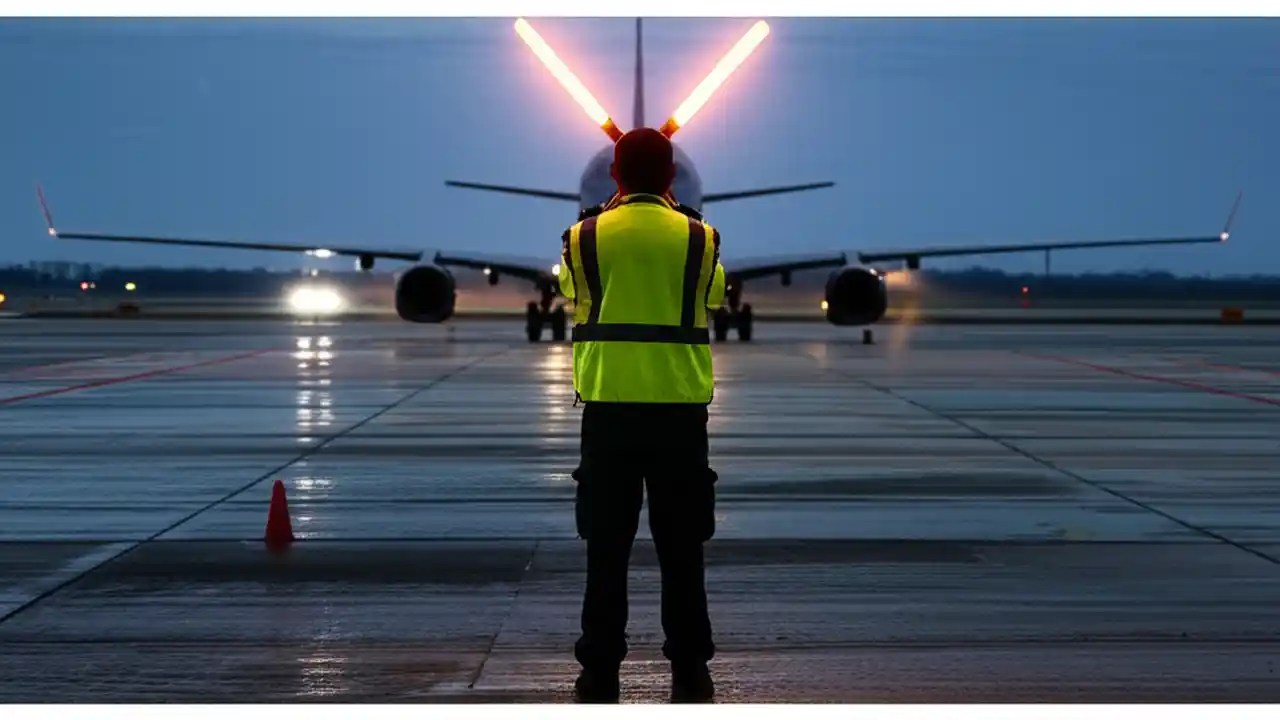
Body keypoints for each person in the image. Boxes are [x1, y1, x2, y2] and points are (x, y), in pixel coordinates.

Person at [557, 127, 726, 703]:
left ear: (613, 175)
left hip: (608, 414)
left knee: (606, 550)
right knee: (683, 551)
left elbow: (570, 291)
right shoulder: (701, 240)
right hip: (680, 416)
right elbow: (714, 297)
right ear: (674, 177)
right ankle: (690, 669)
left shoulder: (583, 238)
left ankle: (599, 669)